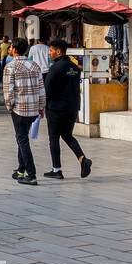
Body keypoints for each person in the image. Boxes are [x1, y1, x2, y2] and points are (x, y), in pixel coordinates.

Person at [42, 39, 92, 180]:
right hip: (72, 108)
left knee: (54, 137)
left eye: (51, 50)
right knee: (67, 135)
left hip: (56, 108)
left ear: (58, 51)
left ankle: (56, 169)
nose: (49, 53)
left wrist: (43, 105)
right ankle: (83, 159)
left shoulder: (55, 68)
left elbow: (48, 89)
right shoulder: (74, 68)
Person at [2, 37, 44, 185]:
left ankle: (31, 174)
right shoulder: (34, 65)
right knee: (22, 138)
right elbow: (41, 89)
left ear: (13, 49)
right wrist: (41, 107)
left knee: (22, 140)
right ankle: (21, 169)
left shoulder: (10, 67)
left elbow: (8, 91)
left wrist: (10, 106)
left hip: (19, 109)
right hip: (33, 109)